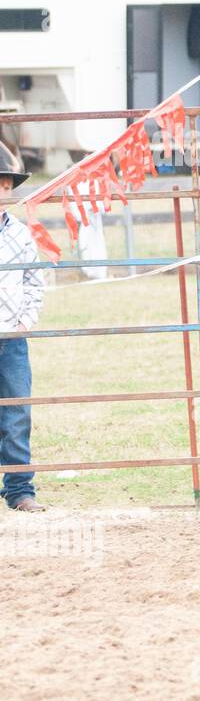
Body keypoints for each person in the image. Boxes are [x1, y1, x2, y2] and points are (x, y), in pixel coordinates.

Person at [0, 145, 46, 512]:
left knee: (17, 412)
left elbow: (34, 280)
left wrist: (25, 320)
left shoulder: (21, 234)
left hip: (12, 336)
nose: (2, 191)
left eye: (5, 184)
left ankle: (19, 489)